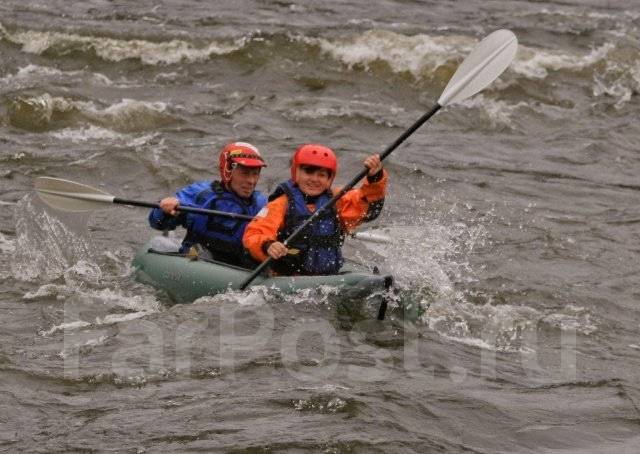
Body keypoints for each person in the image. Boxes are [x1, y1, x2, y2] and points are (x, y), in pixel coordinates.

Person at [242, 143, 387, 275]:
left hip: (328, 275)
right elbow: (254, 233)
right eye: (309, 172)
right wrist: (269, 245)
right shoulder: (280, 204)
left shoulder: (337, 201)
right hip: (289, 276)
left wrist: (375, 178)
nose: (314, 179)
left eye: (321, 175)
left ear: (330, 179)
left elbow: (367, 206)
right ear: (296, 173)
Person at [149, 142, 267, 267]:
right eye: (244, 173)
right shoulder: (201, 194)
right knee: (200, 253)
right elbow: (157, 223)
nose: (251, 181)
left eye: (255, 174)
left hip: (238, 266)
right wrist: (165, 210)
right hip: (198, 258)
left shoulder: (261, 204)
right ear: (228, 170)